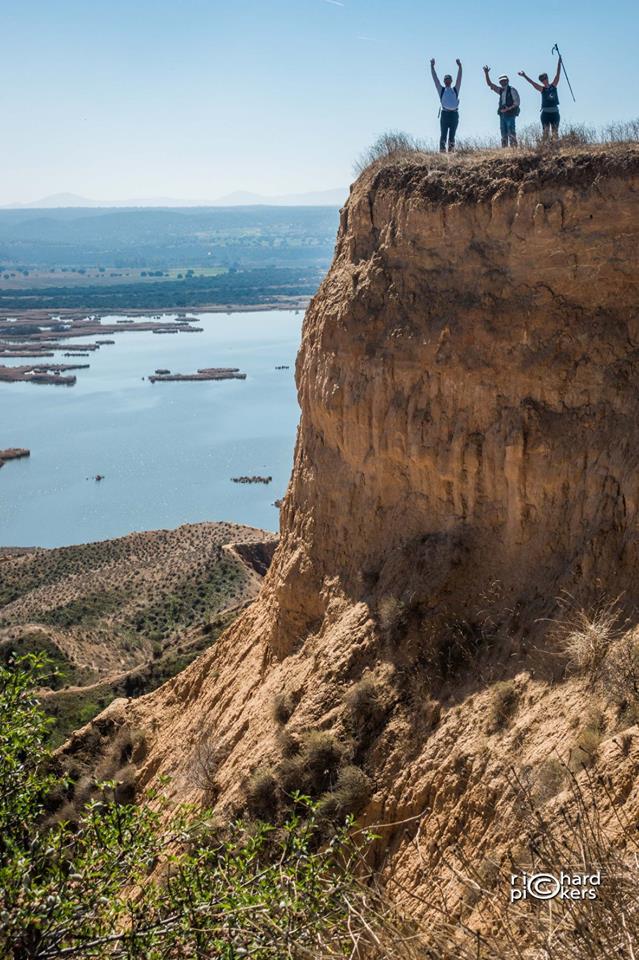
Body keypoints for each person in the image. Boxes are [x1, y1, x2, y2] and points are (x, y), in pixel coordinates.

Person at [518, 56, 562, 141]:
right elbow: (532, 83)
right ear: (541, 81)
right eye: (542, 79)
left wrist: (559, 63)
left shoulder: (554, 86)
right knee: (545, 133)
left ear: (547, 78)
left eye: (545, 78)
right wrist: (524, 76)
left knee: (555, 133)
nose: (544, 80)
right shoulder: (542, 89)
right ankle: (545, 149)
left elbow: (557, 75)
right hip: (545, 113)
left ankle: (555, 149)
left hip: (555, 112)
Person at [430, 58, 462, 152]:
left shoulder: (455, 90)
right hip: (445, 114)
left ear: (451, 81)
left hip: (454, 114)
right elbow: (435, 79)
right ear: (444, 81)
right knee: (443, 134)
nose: (447, 81)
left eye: (449, 80)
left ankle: (451, 152)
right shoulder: (441, 90)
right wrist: (432, 66)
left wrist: (460, 66)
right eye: (446, 80)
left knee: (452, 135)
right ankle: (442, 153)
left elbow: (459, 78)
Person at [483, 67, 520, 147]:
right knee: (503, 133)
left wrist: (508, 108)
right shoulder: (501, 90)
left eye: (504, 80)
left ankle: (514, 150)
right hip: (502, 115)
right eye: (501, 81)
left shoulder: (512, 90)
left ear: (507, 81)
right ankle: (505, 151)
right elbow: (490, 84)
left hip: (510, 114)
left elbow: (517, 103)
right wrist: (486, 73)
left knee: (511, 132)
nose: (503, 82)